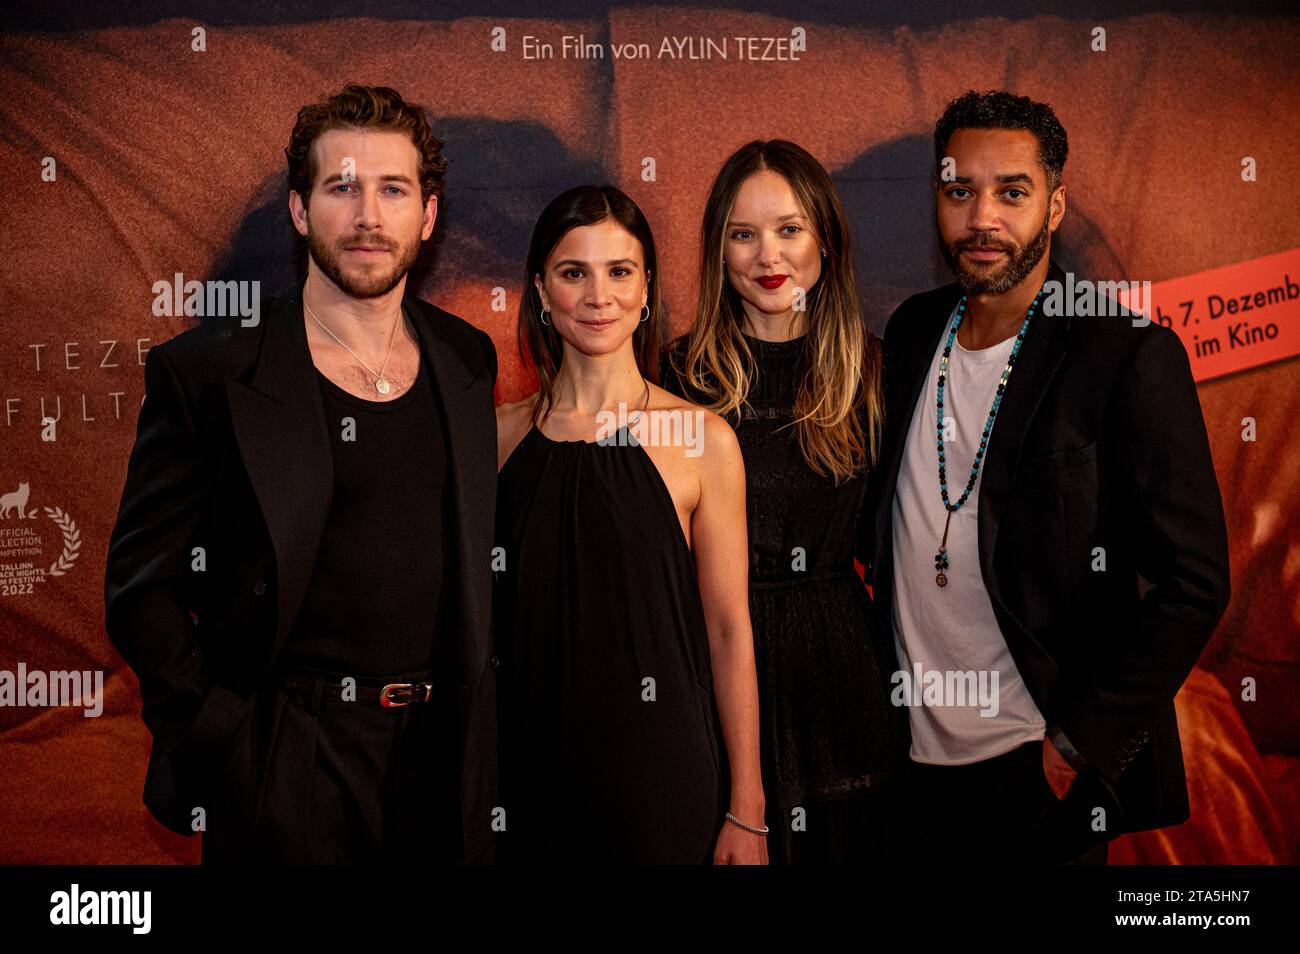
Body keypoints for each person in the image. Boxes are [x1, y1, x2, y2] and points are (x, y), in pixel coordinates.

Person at [104, 84, 499, 863]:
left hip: (440, 763)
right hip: (287, 763)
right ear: (298, 209)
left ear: (427, 214)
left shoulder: (466, 360)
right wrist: (226, 738)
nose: (367, 216)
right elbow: (138, 589)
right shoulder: (213, 373)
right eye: (341, 187)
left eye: (392, 189)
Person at [864, 90, 1231, 863]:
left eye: (1012, 192)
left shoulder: (1124, 351)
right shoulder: (912, 330)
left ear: (1055, 206)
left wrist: (1077, 747)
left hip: (1035, 769)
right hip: (905, 763)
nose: (982, 217)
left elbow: (1194, 583)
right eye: (960, 191)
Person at [493, 185, 767, 864]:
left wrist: (749, 808)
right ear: (540, 290)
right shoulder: (493, 439)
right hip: (525, 777)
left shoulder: (702, 440)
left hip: (662, 779)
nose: (598, 296)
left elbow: (730, 631)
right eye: (573, 273)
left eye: (619, 272)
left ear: (647, 290)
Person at [660, 141, 905, 863]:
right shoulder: (678, 377)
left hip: (843, 673)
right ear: (718, 250)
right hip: (713, 669)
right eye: (743, 233)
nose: (769, 254)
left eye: (790, 228)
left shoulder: (875, 373)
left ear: (825, 241)